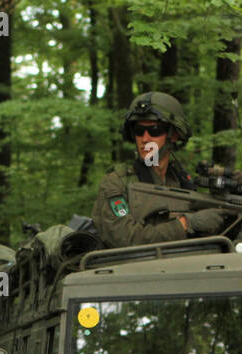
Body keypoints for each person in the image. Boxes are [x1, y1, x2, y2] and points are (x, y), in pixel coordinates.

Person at [92, 92, 228, 248]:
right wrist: (185, 224)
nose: (145, 139)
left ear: (174, 135)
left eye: (155, 130)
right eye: (139, 131)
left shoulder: (182, 182)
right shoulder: (116, 183)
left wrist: (231, 195)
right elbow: (124, 238)